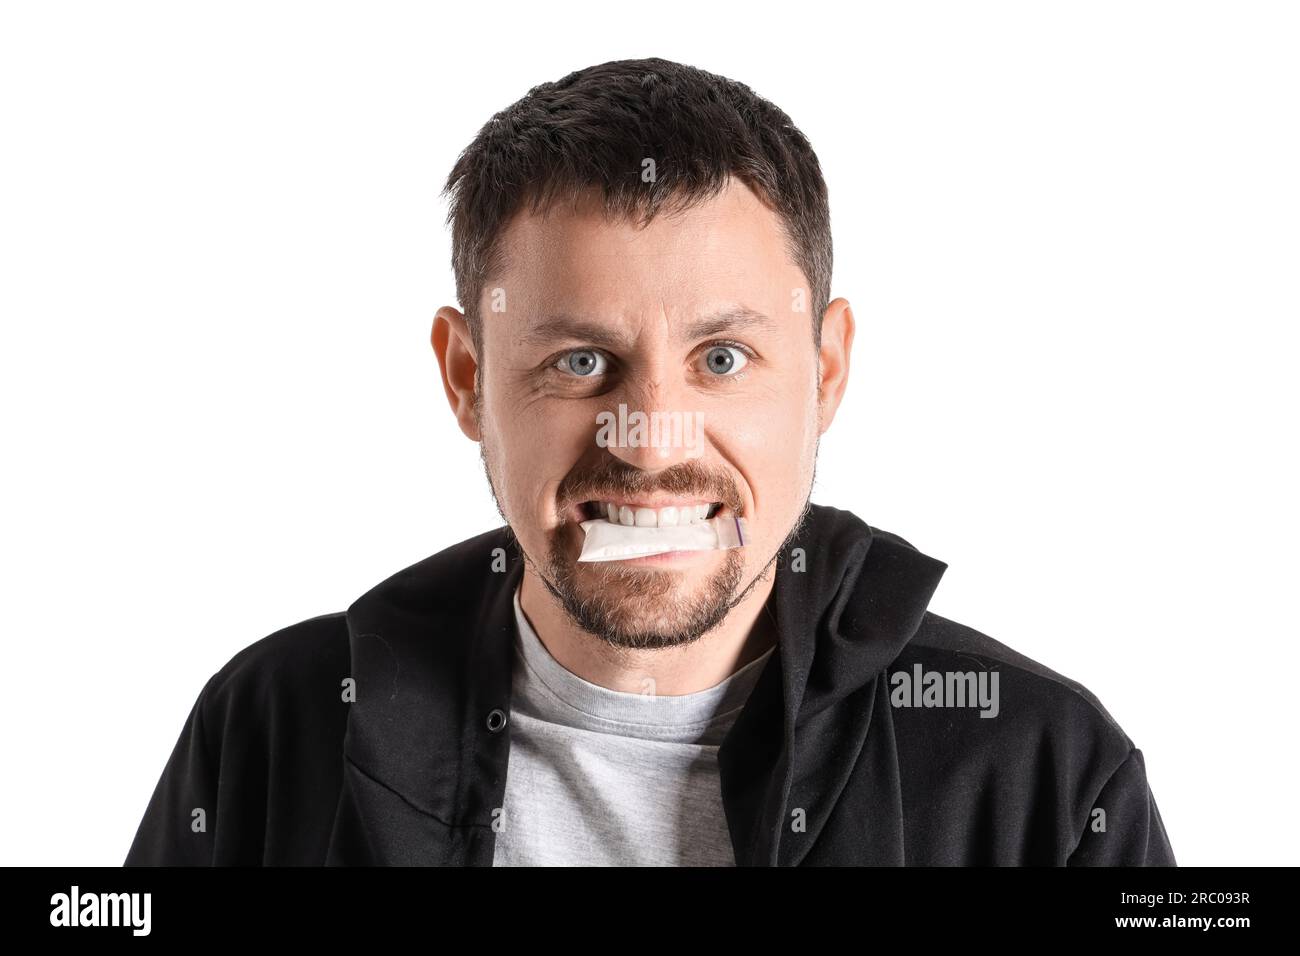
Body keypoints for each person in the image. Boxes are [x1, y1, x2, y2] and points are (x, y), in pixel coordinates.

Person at [125, 57, 1175, 866]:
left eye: (722, 357)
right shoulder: (280, 729)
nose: (653, 438)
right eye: (582, 360)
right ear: (465, 375)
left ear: (824, 370)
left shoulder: (1043, 772)